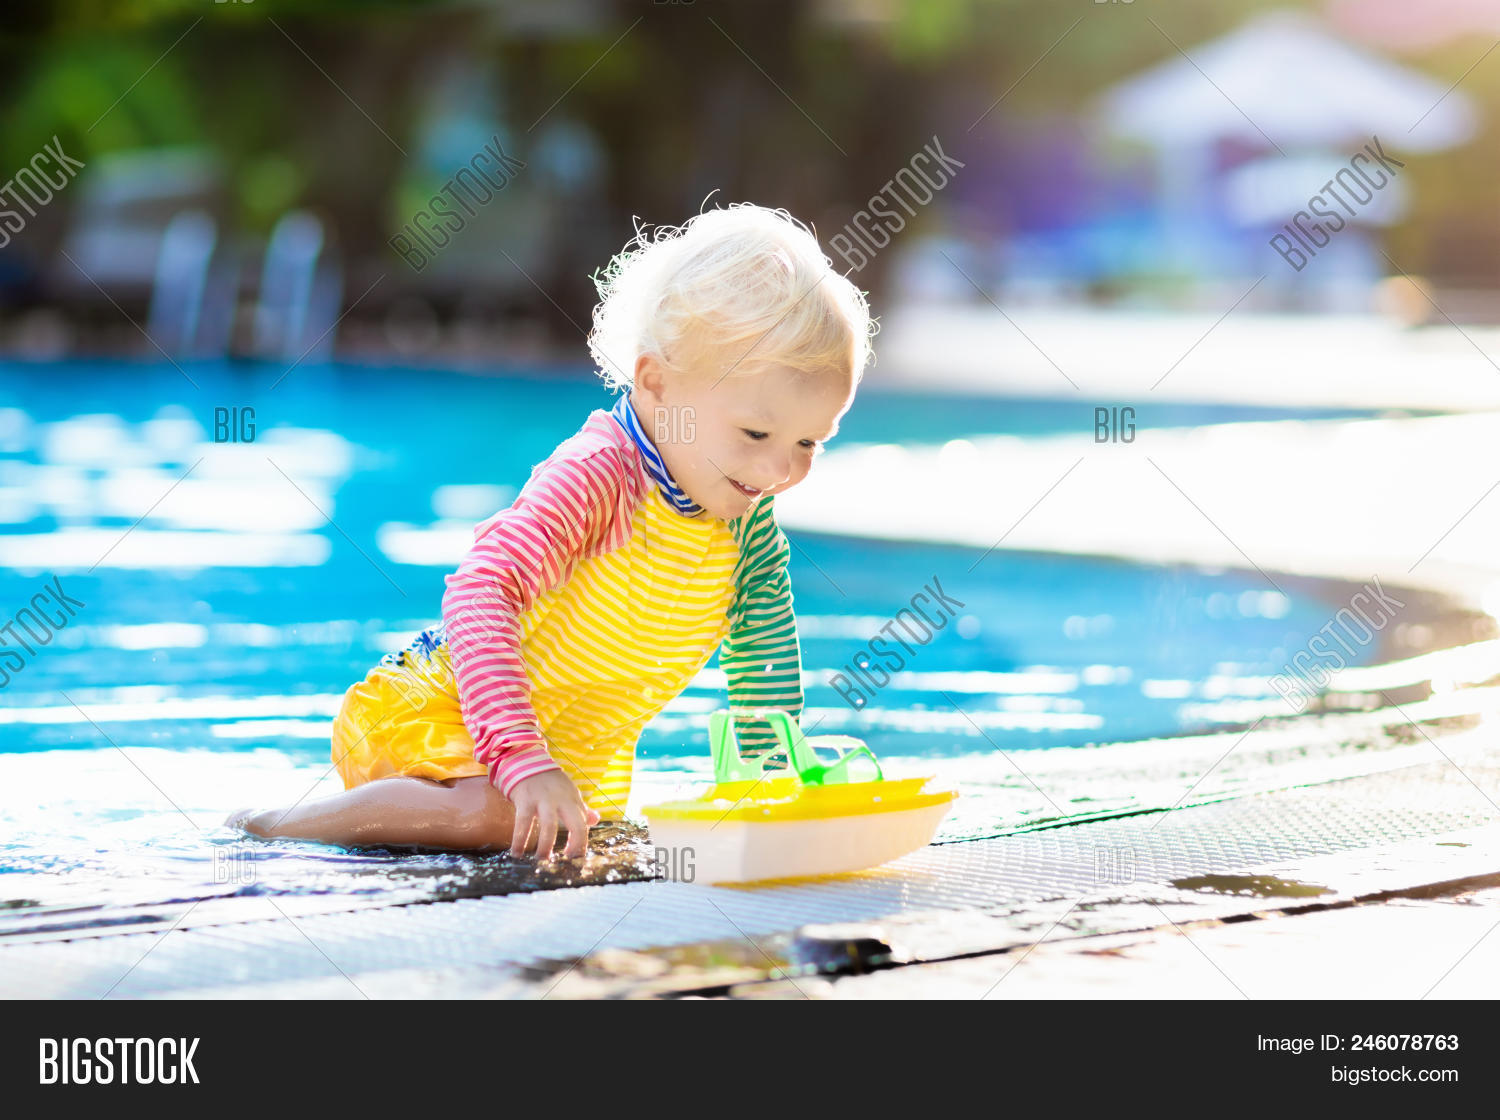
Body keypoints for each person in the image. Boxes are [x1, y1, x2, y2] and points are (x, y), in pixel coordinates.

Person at [227, 202, 875, 862]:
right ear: (657, 384)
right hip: (434, 715)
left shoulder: (747, 528)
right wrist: (523, 760)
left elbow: (762, 651)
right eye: (756, 434)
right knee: (498, 815)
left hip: (566, 760)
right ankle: (276, 826)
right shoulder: (601, 477)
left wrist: (771, 784)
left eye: (809, 442)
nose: (779, 469)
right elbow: (481, 590)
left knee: (571, 837)